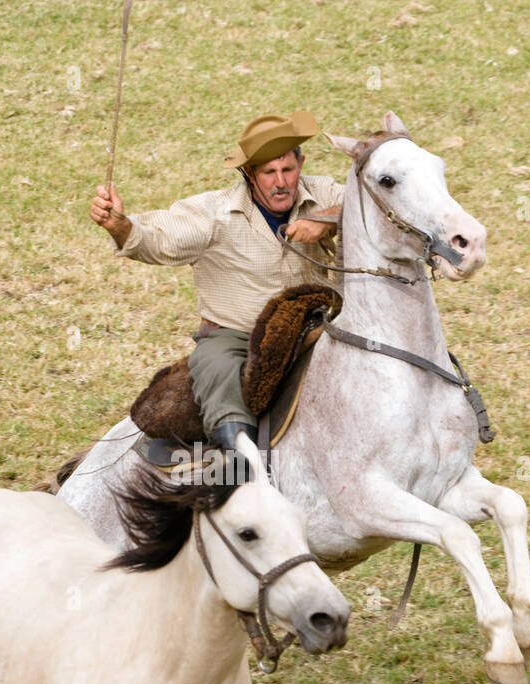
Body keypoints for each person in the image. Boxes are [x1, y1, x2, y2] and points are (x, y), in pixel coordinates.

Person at [91, 110, 343, 449]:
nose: (280, 182)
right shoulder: (213, 214)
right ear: (250, 174)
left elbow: (383, 206)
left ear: (302, 163)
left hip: (319, 327)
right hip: (239, 335)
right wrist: (119, 225)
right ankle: (236, 460)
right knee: (217, 366)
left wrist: (328, 218)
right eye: (269, 172)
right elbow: (159, 238)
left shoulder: (324, 193)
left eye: (288, 169)